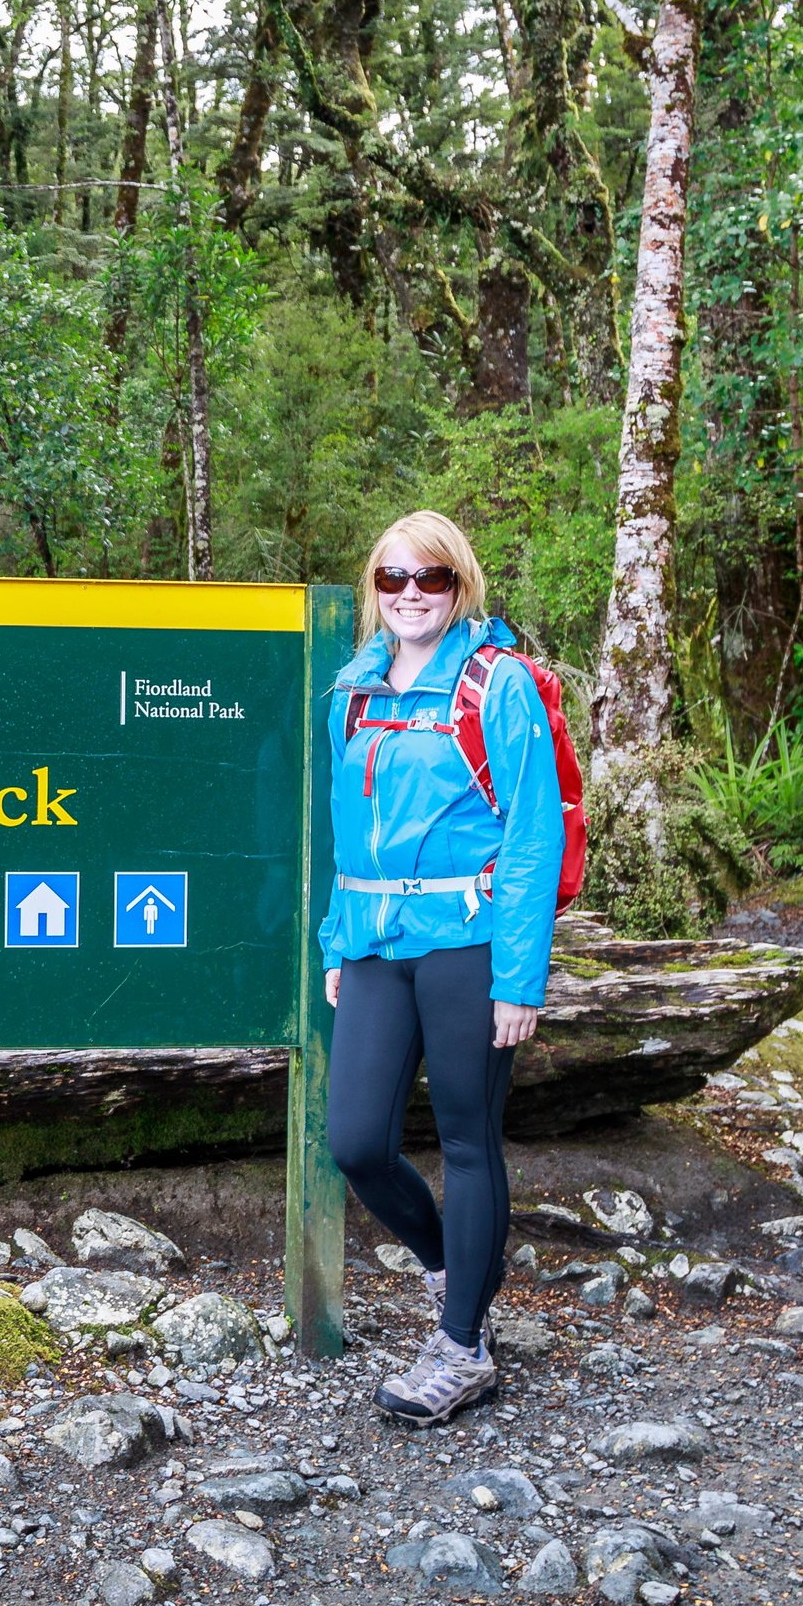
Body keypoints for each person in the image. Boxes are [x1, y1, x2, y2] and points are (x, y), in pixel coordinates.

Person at [320, 509, 563, 1427]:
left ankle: (462, 1348)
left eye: (430, 579)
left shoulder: (496, 685)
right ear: (373, 590)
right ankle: (453, 1275)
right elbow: (346, 829)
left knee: (467, 1137)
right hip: (378, 941)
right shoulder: (352, 688)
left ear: (460, 587)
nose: (410, 595)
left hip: (469, 936)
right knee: (358, 1143)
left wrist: (518, 977)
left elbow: (534, 836)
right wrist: (339, 939)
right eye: (392, 580)